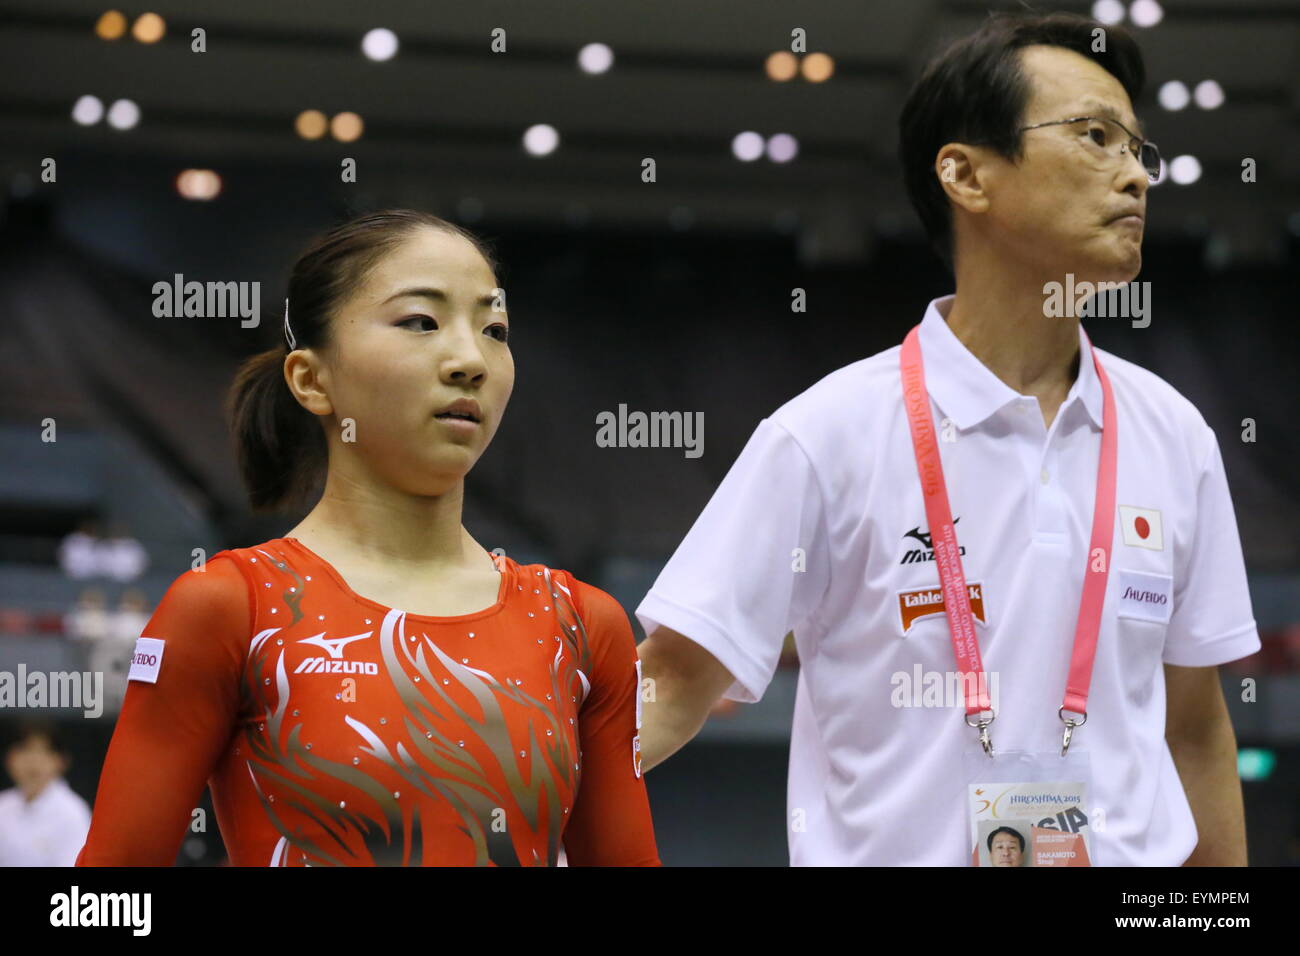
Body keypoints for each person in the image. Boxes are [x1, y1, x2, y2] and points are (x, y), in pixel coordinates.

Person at [634, 12, 1258, 866]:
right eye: (1094, 137)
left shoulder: (1174, 435)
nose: (1135, 177)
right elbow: (668, 685)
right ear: (964, 174)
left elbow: (1195, 731)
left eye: (1137, 150)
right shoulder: (826, 434)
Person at [76, 209, 658, 866]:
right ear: (311, 379)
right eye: (421, 322)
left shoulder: (582, 627)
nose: (470, 359)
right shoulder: (229, 608)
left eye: (494, 329)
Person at [0, 721, 92, 866]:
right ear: (10, 758)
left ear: (61, 761)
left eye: (43, 752)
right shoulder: (3, 805)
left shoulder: (73, 813)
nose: (33, 761)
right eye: (25, 750)